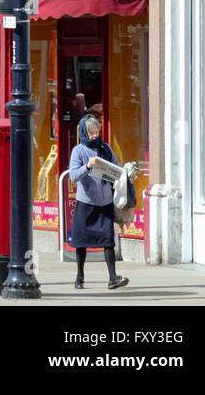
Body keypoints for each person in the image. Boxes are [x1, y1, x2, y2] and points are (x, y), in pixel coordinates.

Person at [69, 116, 129, 290]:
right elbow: (73, 176)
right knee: (81, 242)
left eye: (97, 132)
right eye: (91, 133)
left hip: (105, 202)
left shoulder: (106, 148)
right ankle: (79, 277)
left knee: (108, 240)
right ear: (84, 133)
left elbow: (117, 168)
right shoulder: (78, 151)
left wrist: (124, 173)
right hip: (86, 202)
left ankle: (113, 278)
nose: (95, 136)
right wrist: (87, 166)